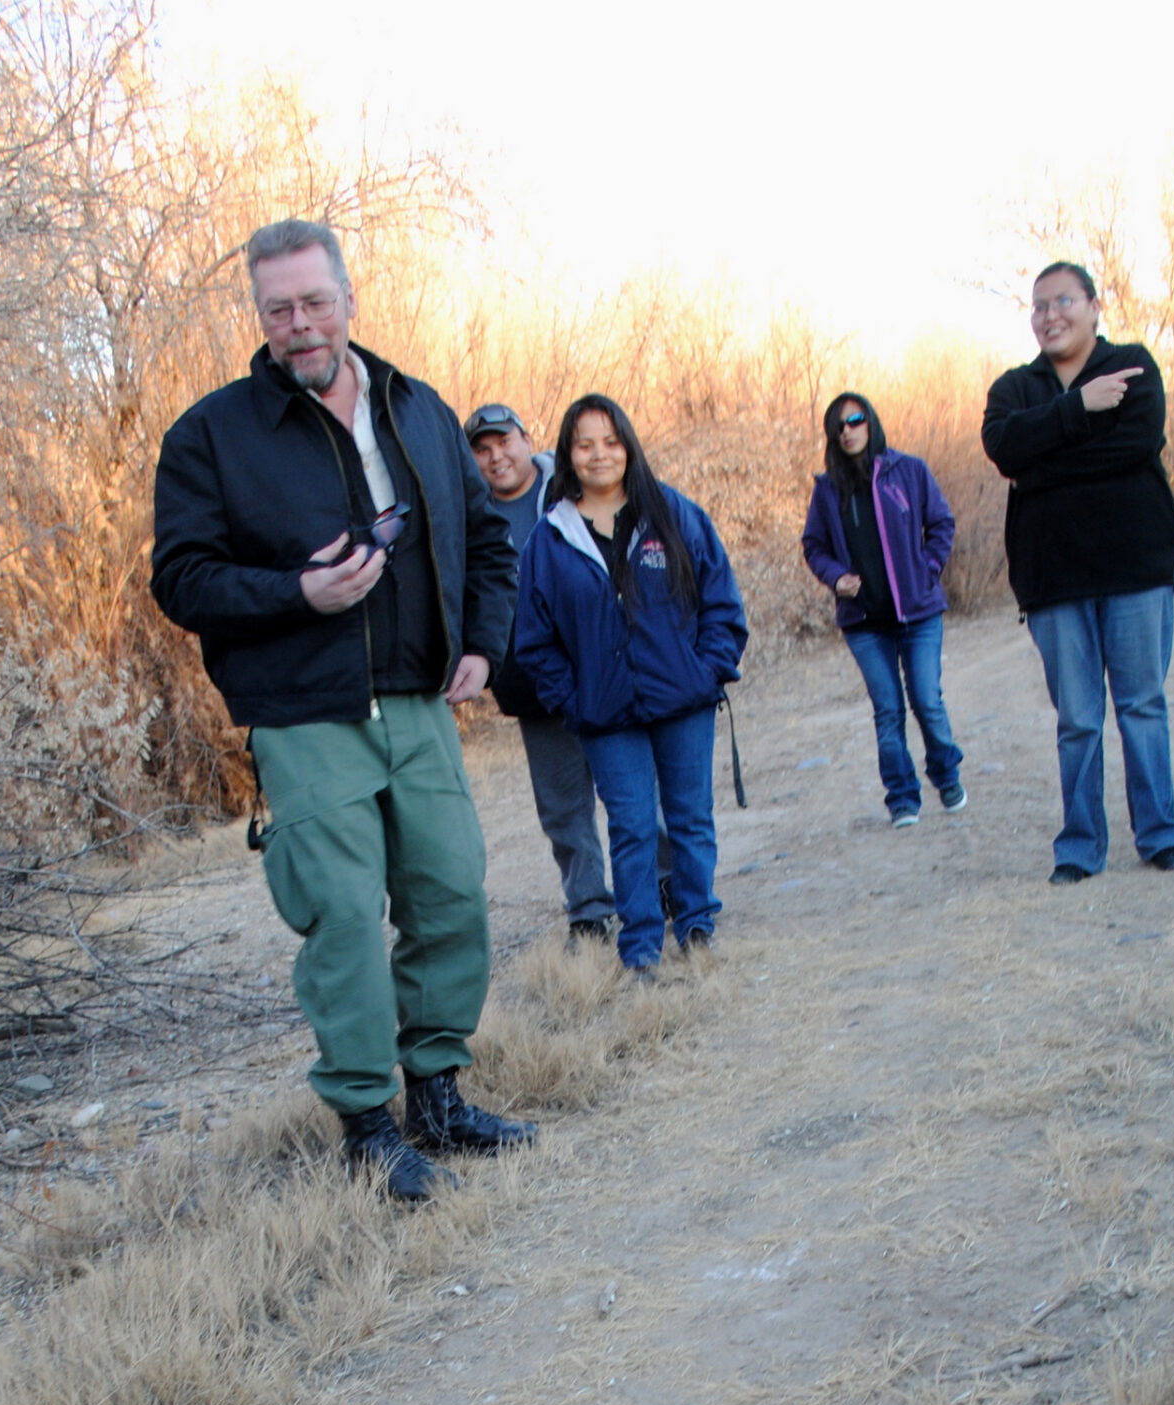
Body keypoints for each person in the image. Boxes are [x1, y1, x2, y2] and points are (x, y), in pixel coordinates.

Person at [150, 218, 534, 1203]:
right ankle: (368, 1124)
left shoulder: (420, 408)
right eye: (277, 308)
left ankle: (438, 1095)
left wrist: (479, 645)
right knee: (344, 924)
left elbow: (488, 542)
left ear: (348, 296)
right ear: (259, 315)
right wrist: (295, 593)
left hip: (418, 702)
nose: (299, 324)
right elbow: (182, 580)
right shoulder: (211, 435)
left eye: (315, 301)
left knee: (450, 890)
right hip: (303, 711)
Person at [514, 395, 747, 970]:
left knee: (690, 818)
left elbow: (721, 602)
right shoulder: (550, 538)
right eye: (585, 444)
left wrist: (705, 669)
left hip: (683, 702)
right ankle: (640, 945)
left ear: (629, 446)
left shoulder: (674, 514)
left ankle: (696, 929)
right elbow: (535, 642)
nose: (599, 455)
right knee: (633, 827)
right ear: (568, 453)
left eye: (611, 441)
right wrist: (574, 700)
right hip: (606, 715)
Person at [982, 262, 1174, 884]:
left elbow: (1133, 447)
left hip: (1136, 567)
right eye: (1039, 305)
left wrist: (1042, 462)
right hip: (1053, 581)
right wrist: (1078, 410)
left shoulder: (1132, 367)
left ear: (1094, 307)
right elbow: (1003, 448)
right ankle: (1079, 847)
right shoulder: (1014, 389)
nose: (1050, 315)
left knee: (1141, 707)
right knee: (1077, 721)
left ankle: (1159, 834)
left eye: (1063, 300)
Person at [463, 401, 617, 937]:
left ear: (527, 438)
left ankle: (662, 884)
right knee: (563, 809)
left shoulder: (575, 491)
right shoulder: (469, 517)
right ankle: (589, 909)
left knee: (631, 789)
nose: (496, 456)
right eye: (481, 450)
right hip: (532, 686)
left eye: (504, 441)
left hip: (602, 672)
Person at [801, 392, 967, 826]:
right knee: (888, 709)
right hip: (864, 624)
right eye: (838, 426)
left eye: (855, 420)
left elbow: (942, 524)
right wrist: (836, 577)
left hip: (919, 613)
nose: (848, 430)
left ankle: (946, 774)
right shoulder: (827, 489)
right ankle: (902, 798)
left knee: (926, 699)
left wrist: (926, 569)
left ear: (870, 421)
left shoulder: (908, 471)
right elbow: (813, 546)